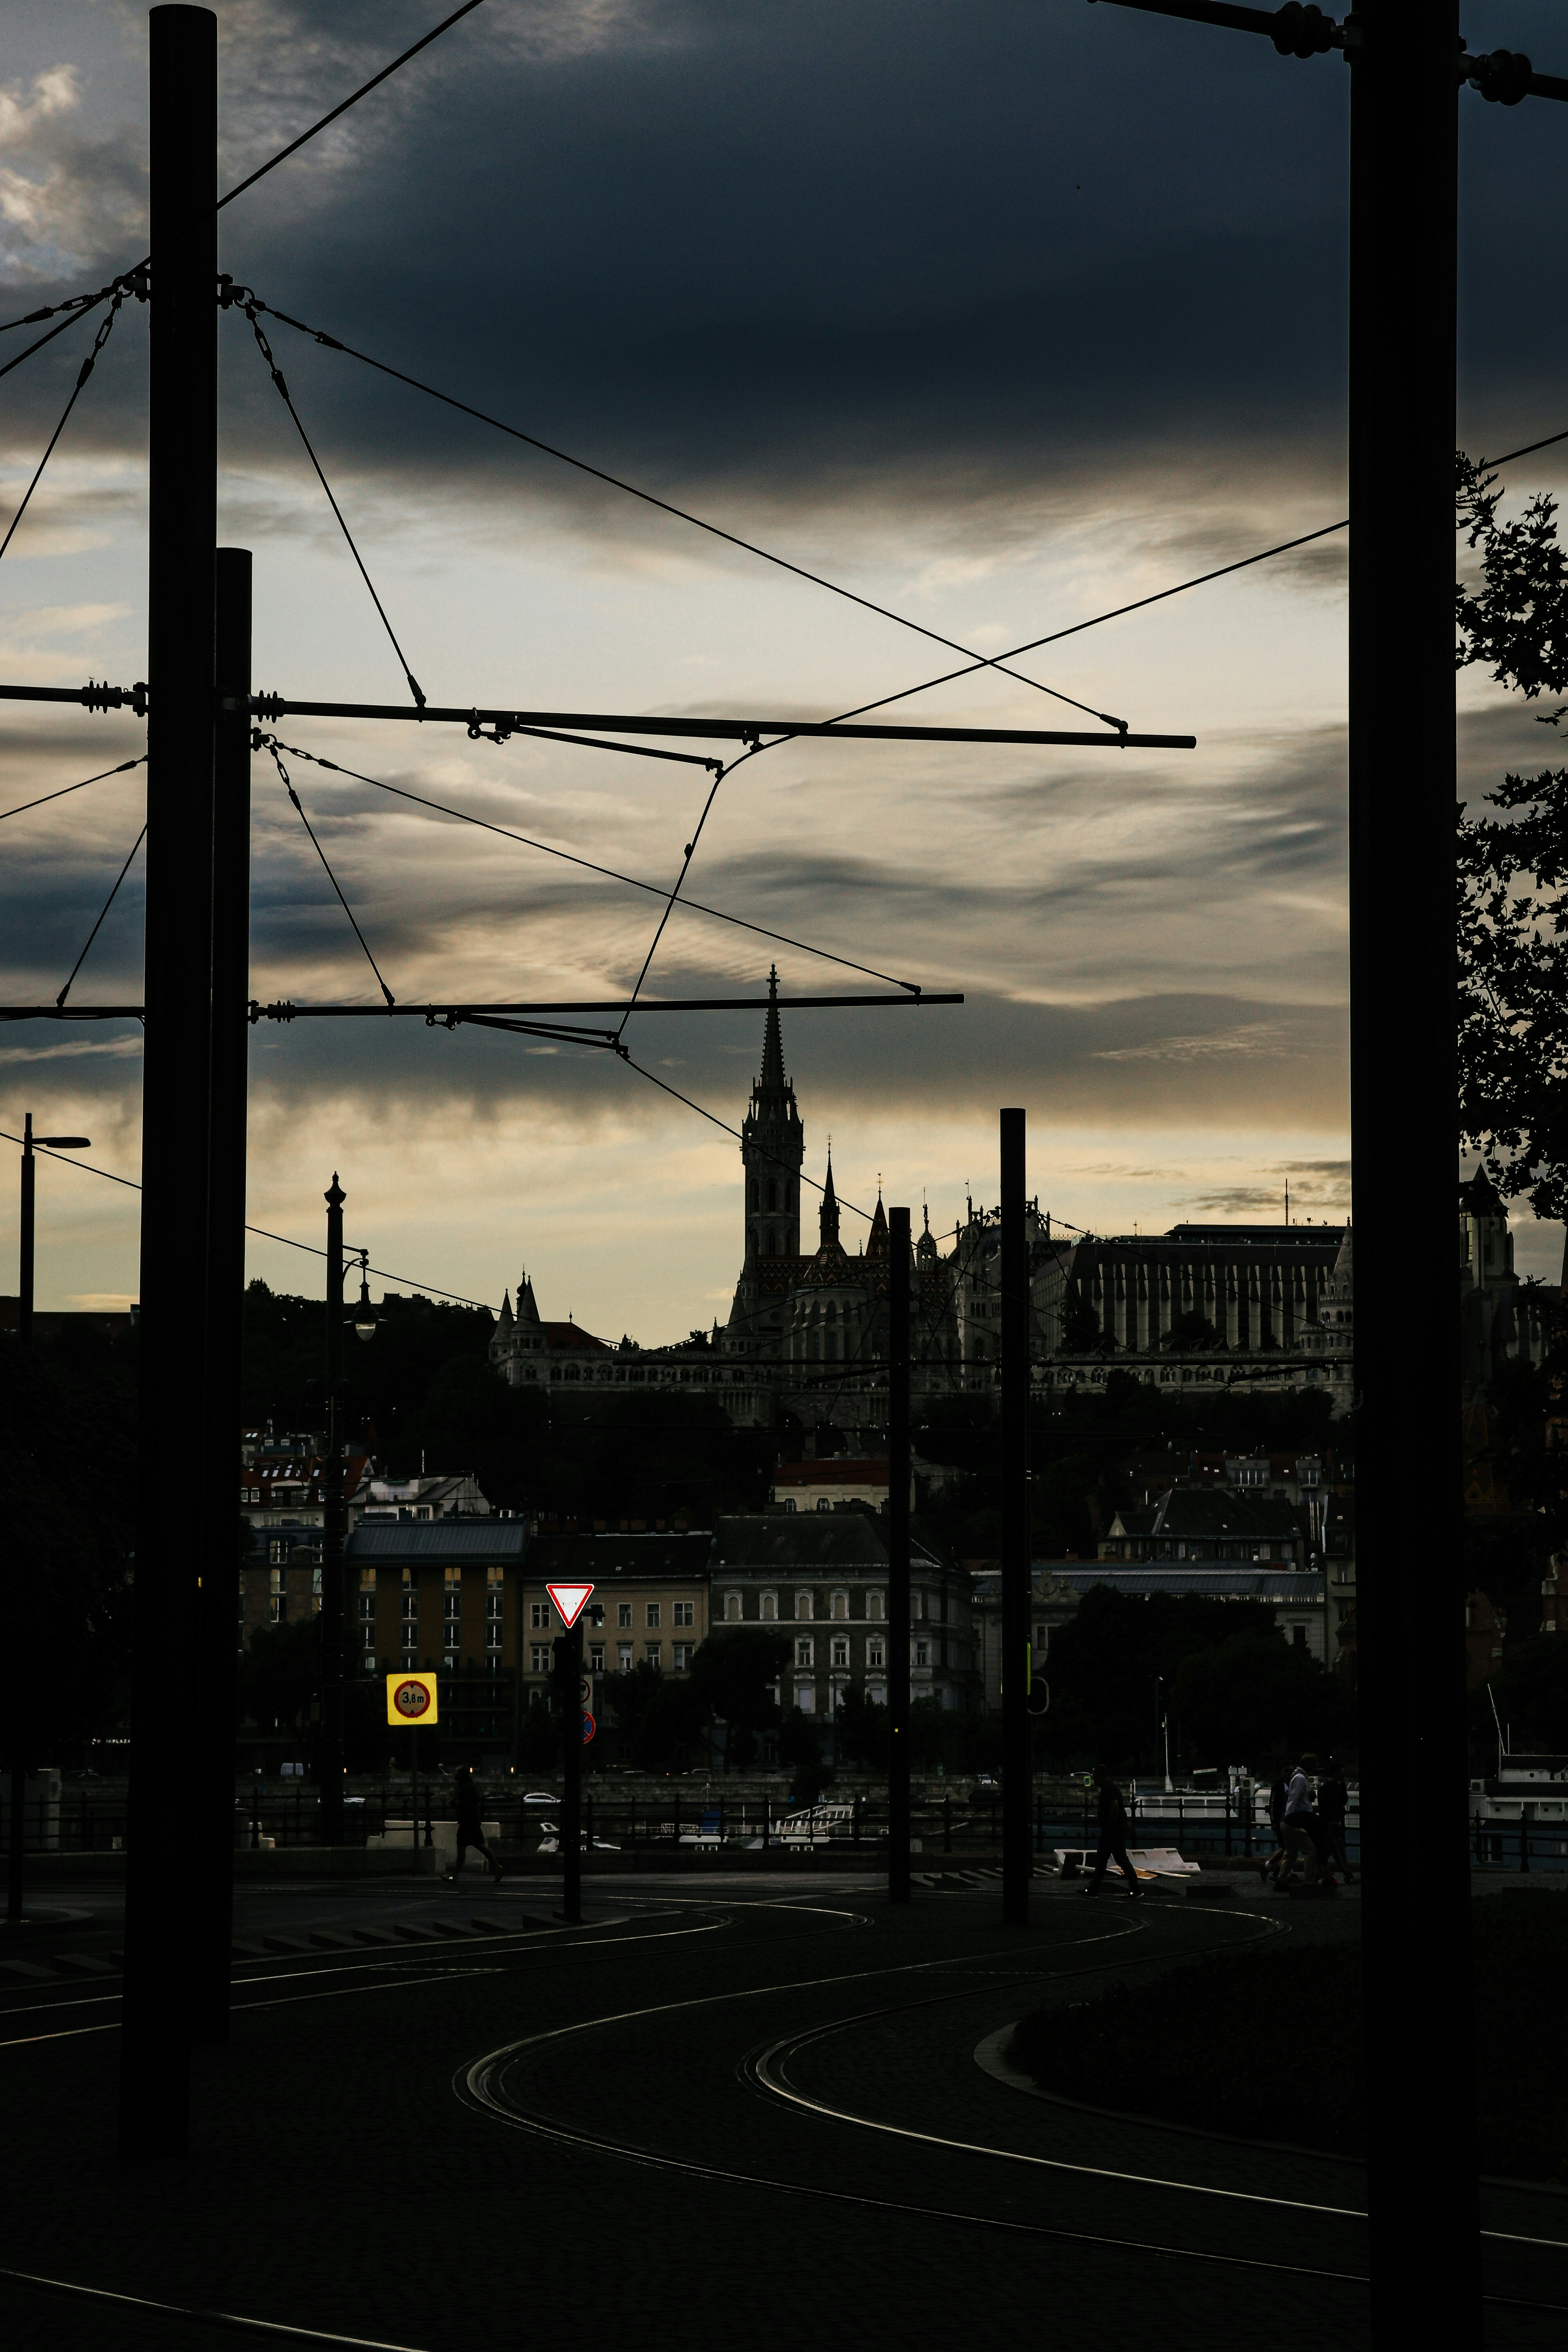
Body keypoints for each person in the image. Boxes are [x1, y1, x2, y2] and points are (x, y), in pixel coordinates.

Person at [1084, 1766, 1143, 1898]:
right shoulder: (1112, 1787)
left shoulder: (1108, 1790)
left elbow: (1115, 1807)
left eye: (1094, 1775)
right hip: (1115, 1829)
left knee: (1115, 1859)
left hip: (1112, 1830)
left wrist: (1110, 1827)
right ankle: (1095, 1888)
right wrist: (1126, 1823)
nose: (1093, 1778)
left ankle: (1135, 1888)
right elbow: (1120, 1808)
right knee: (1107, 1859)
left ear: (1100, 1776)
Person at [445, 1766, 504, 1884]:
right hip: (465, 1821)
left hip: (470, 1821)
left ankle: (498, 1868)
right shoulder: (462, 1785)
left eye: (457, 1772)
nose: (455, 1774)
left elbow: (476, 1800)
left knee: (478, 1846)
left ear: (461, 1775)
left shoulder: (469, 1786)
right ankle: (455, 1876)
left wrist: (459, 1803)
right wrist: (454, 1802)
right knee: (464, 1848)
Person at [1282, 1751, 1330, 1884]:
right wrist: (1290, 1818)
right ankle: (1311, 1880)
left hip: (1296, 1820)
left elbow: (1294, 1799)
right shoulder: (1301, 1779)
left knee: (1291, 1852)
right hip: (1300, 1821)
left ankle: (1280, 1879)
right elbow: (1293, 1800)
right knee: (1310, 1852)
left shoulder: (1300, 1777)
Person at [1317, 1756, 1354, 1882]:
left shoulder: (1329, 1787)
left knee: (1328, 1850)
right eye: (1341, 1773)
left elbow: (1342, 1801)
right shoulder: (1328, 1788)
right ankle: (1348, 1875)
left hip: (1330, 1823)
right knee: (1338, 1850)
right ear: (1335, 1773)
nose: (1342, 1776)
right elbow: (1341, 1803)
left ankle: (1317, 1872)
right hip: (1332, 1823)